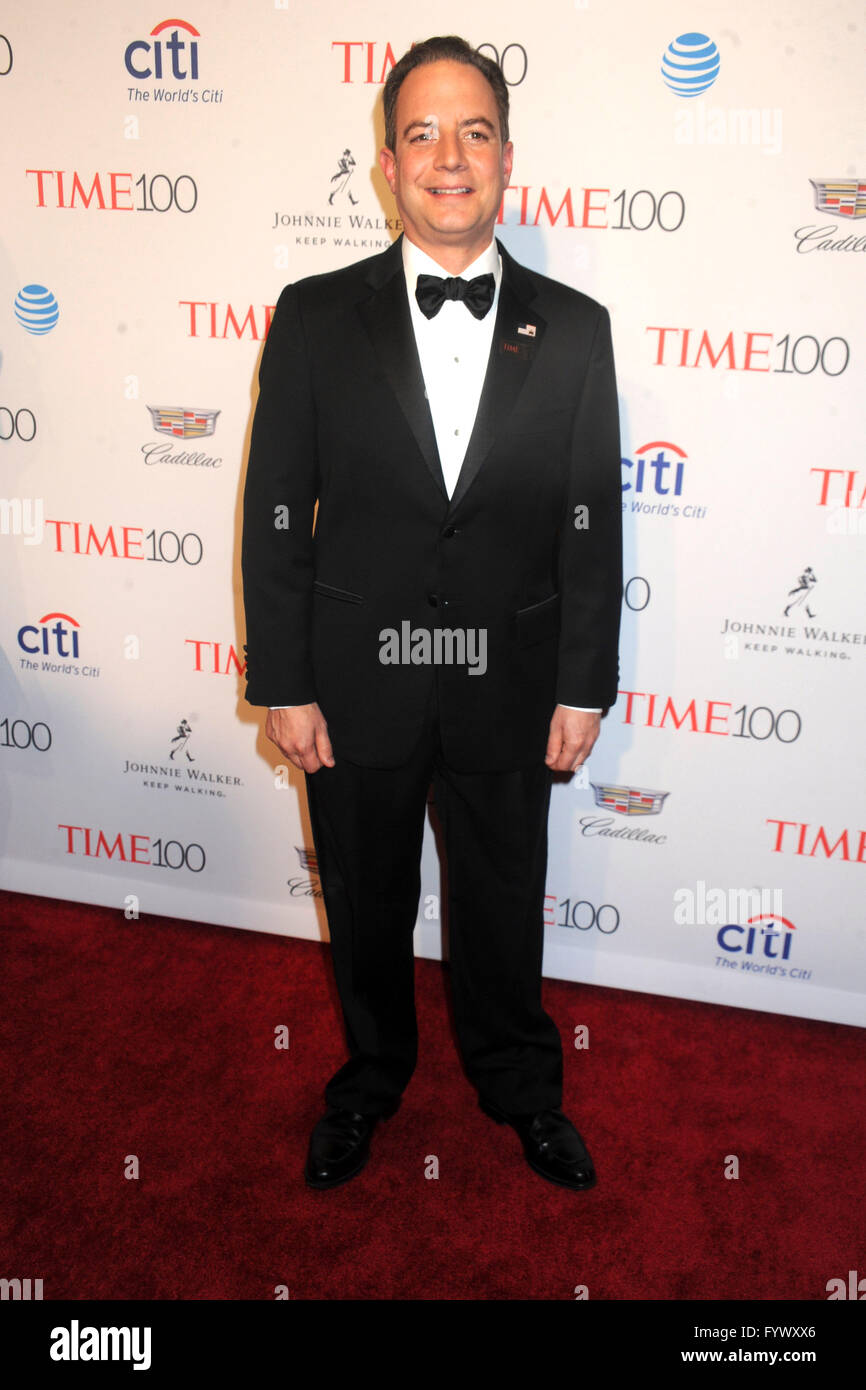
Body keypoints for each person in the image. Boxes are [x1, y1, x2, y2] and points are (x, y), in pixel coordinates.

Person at [241, 35, 622, 1193]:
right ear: (386, 163)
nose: (447, 157)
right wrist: (285, 680)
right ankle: (367, 1080)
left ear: (507, 155)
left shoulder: (575, 324)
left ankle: (521, 1086)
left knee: (503, 903)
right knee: (363, 904)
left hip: (507, 683)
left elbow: (590, 520)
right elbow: (274, 511)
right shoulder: (311, 316)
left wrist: (579, 680)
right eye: (421, 133)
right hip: (354, 686)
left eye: (471, 132)